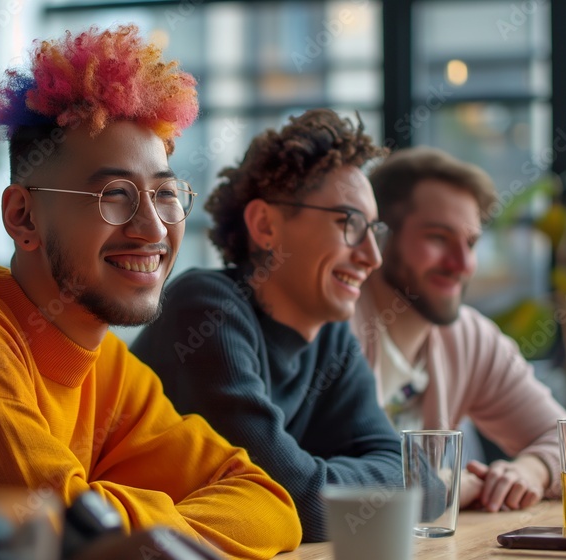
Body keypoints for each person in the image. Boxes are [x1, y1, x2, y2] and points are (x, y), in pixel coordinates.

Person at [0, 25, 301, 558]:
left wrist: (122, 519)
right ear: (22, 216)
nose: (153, 228)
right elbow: (64, 531)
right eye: (114, 195)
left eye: (166, 193)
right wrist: (138, 520)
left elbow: (270, 504)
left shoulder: (113, 372)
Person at [131, 109, 404, 542]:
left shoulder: (330, 336)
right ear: (265, 226)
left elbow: (406, 468)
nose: (373, 256)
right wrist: (338, 480)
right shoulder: (205, 309)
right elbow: (296, 500)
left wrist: (327, 478)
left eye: (374, 230)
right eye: (348, 223)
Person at [352, 146, 566, 512]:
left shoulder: (469, 338)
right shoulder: (334, 325)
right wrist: (450, 485)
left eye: (470, 243)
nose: (462, 263)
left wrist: (530, 471)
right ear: (381, 237)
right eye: (438, 238)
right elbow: (320, 477)